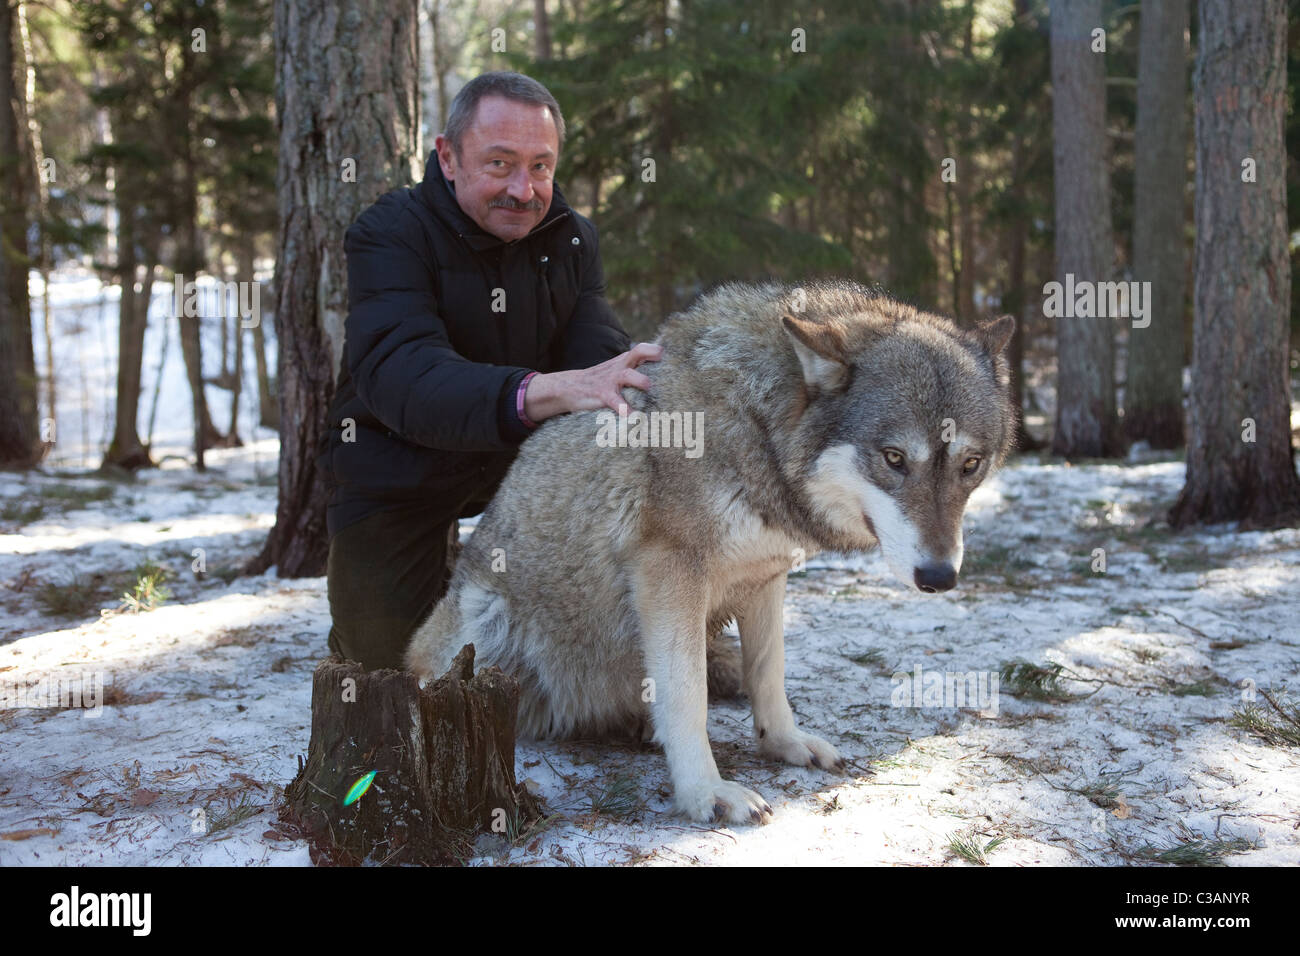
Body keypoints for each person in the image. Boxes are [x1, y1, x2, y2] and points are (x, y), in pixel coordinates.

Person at [319, 71, 662, 670]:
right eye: (499, 164)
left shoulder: (573, 239)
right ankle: (430, 578)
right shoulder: (389, 233)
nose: (524, 191)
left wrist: (636, 384)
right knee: (388, 668)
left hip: (524, 474)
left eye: (540, 167)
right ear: (447, 158)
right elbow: (405, 376)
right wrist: (540, 391)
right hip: (399, 465)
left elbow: (596, 355)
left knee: (590, 636)